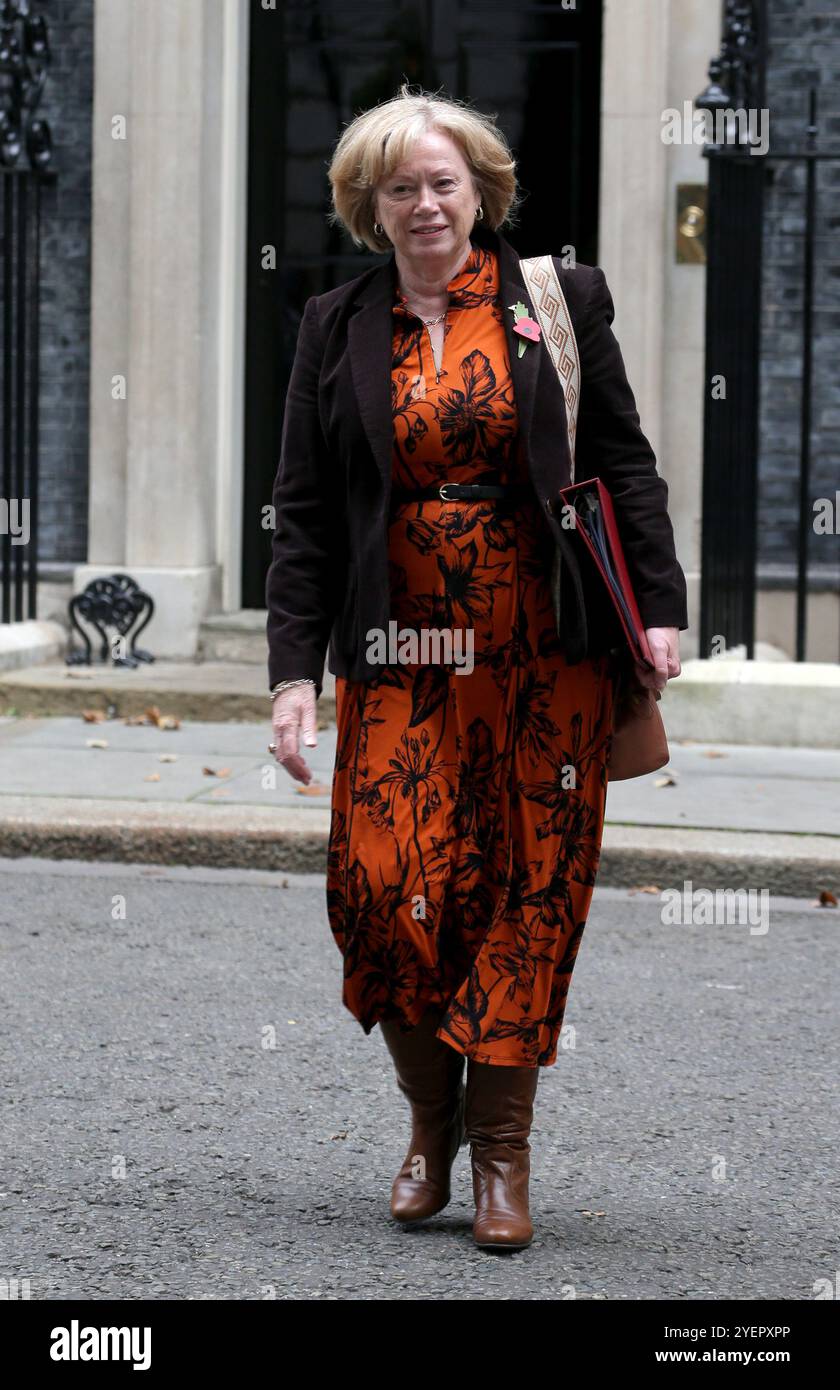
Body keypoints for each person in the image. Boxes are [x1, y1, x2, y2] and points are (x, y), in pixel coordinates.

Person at [265, 84, 687, 1250]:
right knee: (380, 882)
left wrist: (657, 610)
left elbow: (622, 461)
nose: (424, 203)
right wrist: (295, 675)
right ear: (370, 203)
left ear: (480, 190)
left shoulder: (555, 300)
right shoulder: (334, 325)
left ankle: (500, 1149)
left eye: (443, 181)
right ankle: (428, 1120)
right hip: (402, 651)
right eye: (399, 186)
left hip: (545, 650)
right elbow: (304, 513)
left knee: (527, 893)